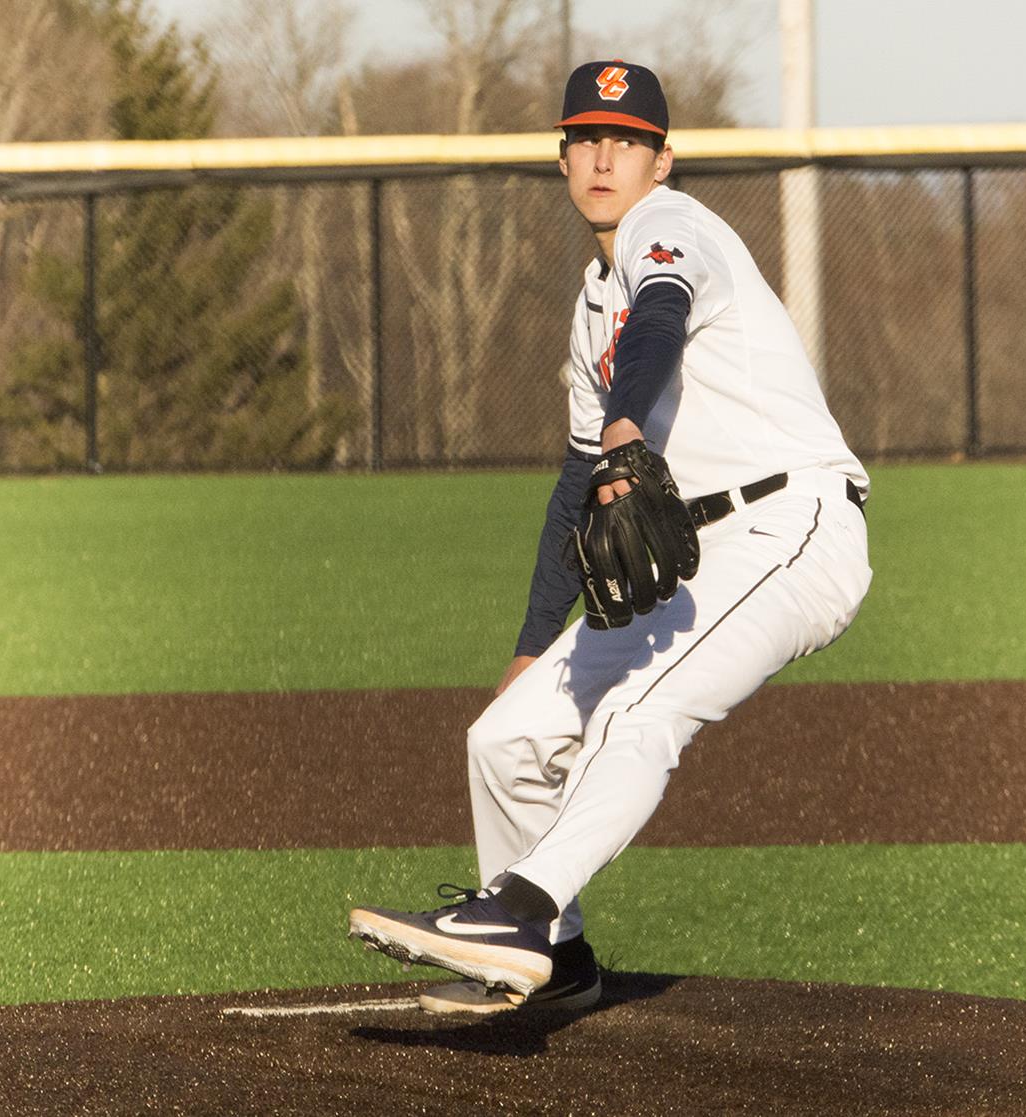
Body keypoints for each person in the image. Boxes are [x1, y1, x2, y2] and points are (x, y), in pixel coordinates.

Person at [348, 59, 871, 1015]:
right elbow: (571, 483)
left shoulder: (673, 227)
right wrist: (528, 643)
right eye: (586, 139)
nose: (604, 157)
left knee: (638, 718)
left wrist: (628, 422)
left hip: (795, 526)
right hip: (703, 552)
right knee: (505, 738)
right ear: (561, 157)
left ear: (661, 161)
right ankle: (559, 958)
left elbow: (660, 324)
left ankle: (519, 906)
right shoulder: (590, 306)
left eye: (627, 142)